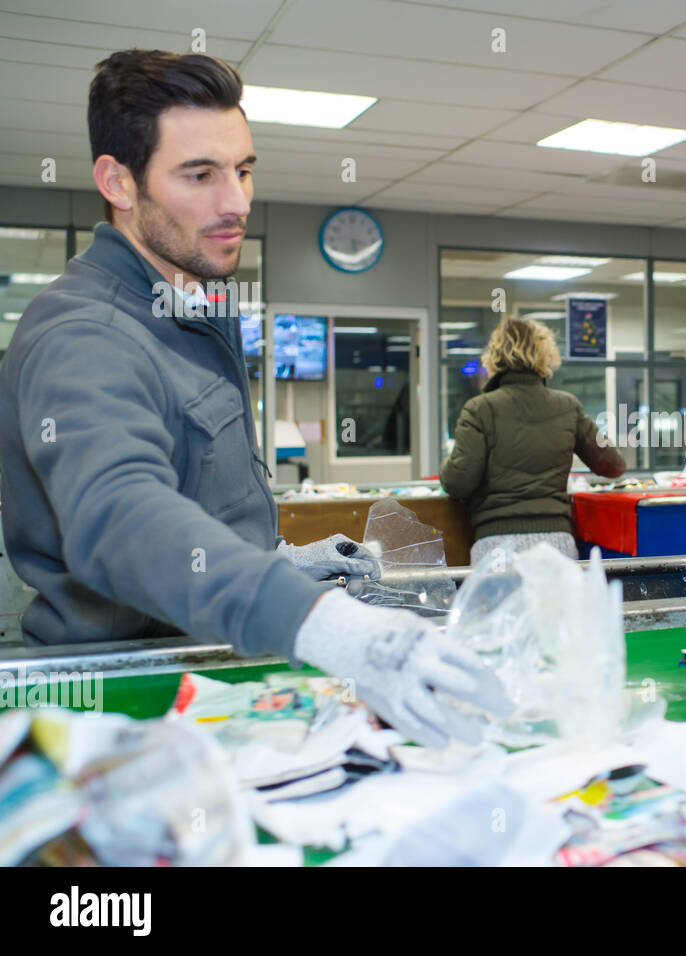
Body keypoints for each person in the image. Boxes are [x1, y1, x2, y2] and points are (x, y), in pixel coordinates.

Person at [0, 50, 508, 749]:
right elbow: (119, 518)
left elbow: (197, 500)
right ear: (117, 181)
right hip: (127, 713)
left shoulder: (189, 311)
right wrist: (326, 623)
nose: (235, 202)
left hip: (210, 682)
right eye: (199, 174)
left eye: (242, 170)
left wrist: (275, 560)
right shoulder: (87, 333)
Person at [440, 317, 626, 564]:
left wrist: (446, 464)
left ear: (495, 356)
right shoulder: (568, 406)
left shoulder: (479, 409)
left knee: (500, 606)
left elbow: (458, 482)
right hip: (556, 546)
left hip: (496, 546)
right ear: (545, 355)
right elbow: (613, 465)